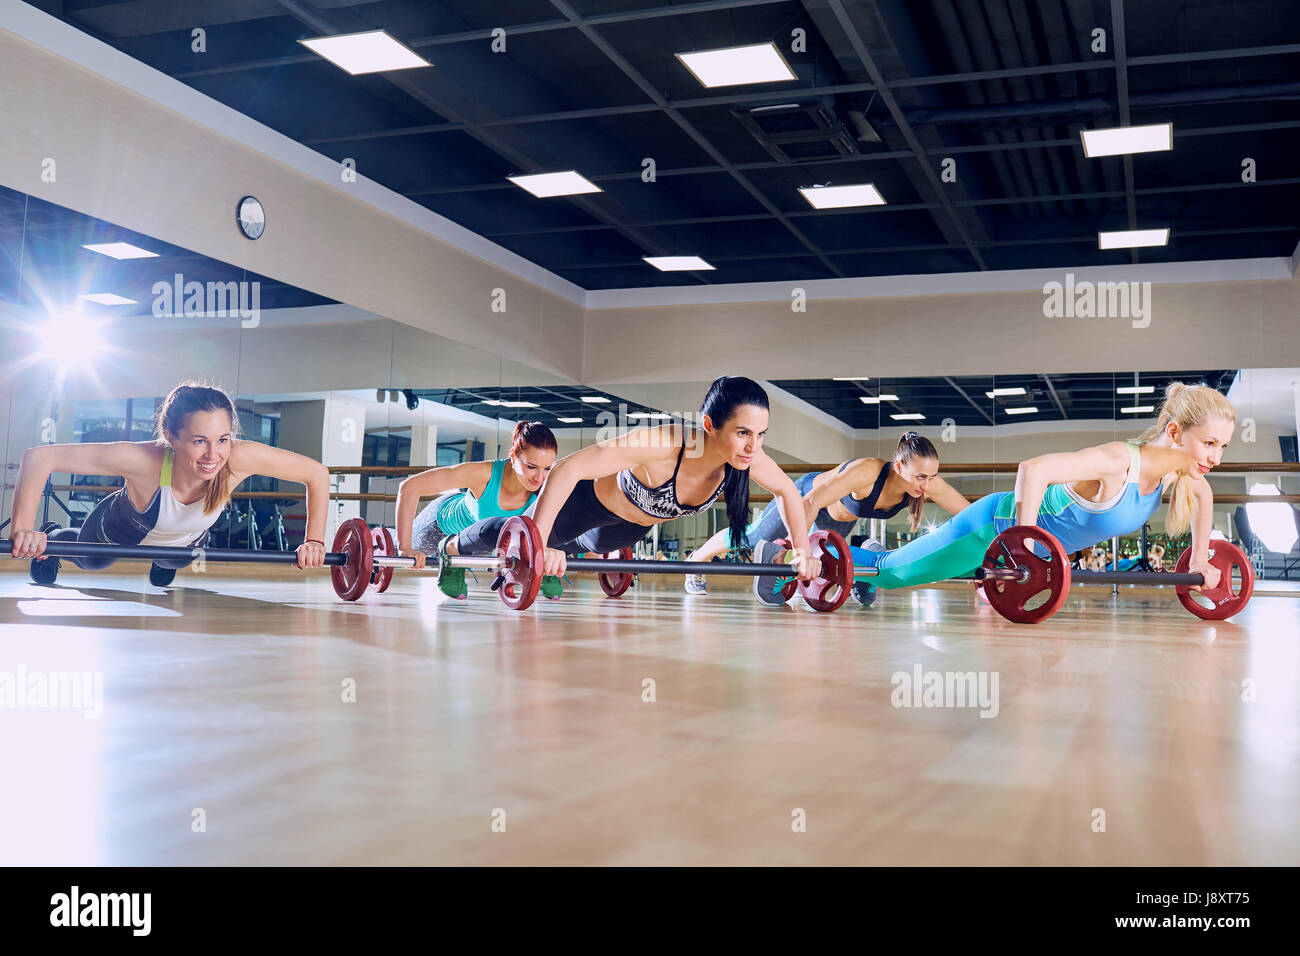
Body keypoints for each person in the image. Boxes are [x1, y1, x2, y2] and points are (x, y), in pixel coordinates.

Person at [766, 383, 1234, 597]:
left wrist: (1197, 560)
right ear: (1175, 432)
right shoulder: (1118, 461)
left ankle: (857, 553)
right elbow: (1032, 468)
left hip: (1011, 548)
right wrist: (1025, 543)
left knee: (897, 572)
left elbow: (1204, 500)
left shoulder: (1179, 474)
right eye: (1208, 443)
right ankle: (813, 556)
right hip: (990, 526)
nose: (1215, 457)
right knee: (892, 576)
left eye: (1222, 446)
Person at [436, 376, 819, 600]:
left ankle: (557, 553)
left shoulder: (746, 460)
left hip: (626, 530)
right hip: (585, 505)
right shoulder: (663, 445)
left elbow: (787, 492)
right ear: (708, 425)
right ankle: (450, 548)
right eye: (743, 433)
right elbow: (567, 469)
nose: (754, 446)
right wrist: (538, 539)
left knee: (583, 549)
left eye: (760, 435)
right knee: (511, 534)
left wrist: (803, 551)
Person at [7, 382, 331, 586]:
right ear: (172, 436)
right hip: (118, 530)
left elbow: (317, 473)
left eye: (222, 440)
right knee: (94, 560)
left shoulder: (239, 459)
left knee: (177, 559)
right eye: (199, 441)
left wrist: (314, 540)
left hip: (181, 543)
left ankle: (163, 561)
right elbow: (39, 458)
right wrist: (24, 530)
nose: (213, 455)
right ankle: (54, 536)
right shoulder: (141, 459)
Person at [683, 432, 971, 606]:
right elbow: (810, 502)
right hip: (805, 497)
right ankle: (697, 559)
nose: (927, 484)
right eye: (921, 476)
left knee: (834, 559)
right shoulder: (867, 473)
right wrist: (801, 552)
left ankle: (866, 561)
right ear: (898, 466)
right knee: (754, 537)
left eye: (932, 476)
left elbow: (970, 515)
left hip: (837, 519)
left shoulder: (924, 484)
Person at [393, 421, 557, 599]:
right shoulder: (483, 474)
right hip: (439, 527)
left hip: (478, 542)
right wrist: (404, 546)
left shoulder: (547, 485)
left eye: (547, 468)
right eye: (531, 467)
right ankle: (379, 537)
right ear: (513, 456)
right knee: (395, 547)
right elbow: (408, 487)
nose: (540, 477)